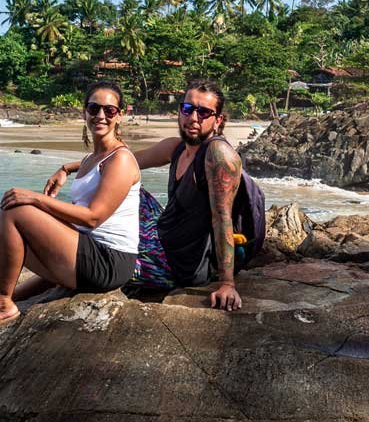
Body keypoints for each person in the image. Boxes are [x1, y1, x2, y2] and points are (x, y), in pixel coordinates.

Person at [0, 81, 140, 350]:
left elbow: (93, 218)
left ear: (120, 115)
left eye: (109, 110)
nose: (100, 116)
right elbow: (89, 179)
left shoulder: (120, 159)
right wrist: (65, 168)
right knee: (1, 228)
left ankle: (1, 304)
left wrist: (35, 199)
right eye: (94, 108)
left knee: (16, 211)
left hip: (109, 262)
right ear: (83, 112)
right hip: (89, 252)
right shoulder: (89, 160)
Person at [46, 81, 244, 311]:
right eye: (188, 109)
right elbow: (121, 161)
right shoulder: (176, 147)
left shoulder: (218, 155)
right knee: (125, 187)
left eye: (204, 112)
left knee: (89, 250)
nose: (193, 118)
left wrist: (227, 283)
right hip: (162, 236)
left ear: (218, 120)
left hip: (179, 264)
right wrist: (67, 168)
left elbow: (222, 217)